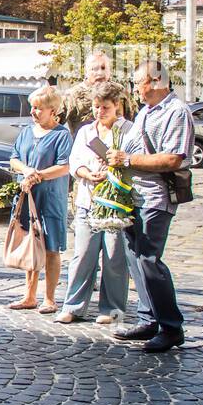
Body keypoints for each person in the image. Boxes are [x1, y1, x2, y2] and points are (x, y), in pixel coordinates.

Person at [108, 60, 195, 353]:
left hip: (156, 198)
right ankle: (149, 319)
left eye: (138, 82)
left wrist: (127, 161)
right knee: (136, 259)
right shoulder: (145, 111)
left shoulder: (176, 112)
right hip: (134, 197)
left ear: (157, 80)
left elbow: (173, 159)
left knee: (149, 260)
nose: (134, 89)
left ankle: (172, 327)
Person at [57, 81, 133, 324]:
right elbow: (74, 159)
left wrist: (114, 168)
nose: (100, 112)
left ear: (117, 106)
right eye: (97, 107)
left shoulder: (128, 130)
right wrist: (85, 173)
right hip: (88, 199)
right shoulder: (86, 131)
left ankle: (111, 308)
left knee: (114, 257)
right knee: (82, 255)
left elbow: (133, 161)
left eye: (105, 107)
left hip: (114, 204)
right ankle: (73, 306)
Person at [8, 85, 73, 313]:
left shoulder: (61, 135)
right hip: (28, 196)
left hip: (50, 197)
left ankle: (50, 297)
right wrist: (27, 171)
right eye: (33, 107)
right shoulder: (27, 131)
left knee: (51, 247)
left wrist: (38, 175)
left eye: (39, 108)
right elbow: (14, 158)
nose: (34, 112)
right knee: (30, 243)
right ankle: (29, 295)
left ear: (53, 110)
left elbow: (64, 166)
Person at [63, 51, 137, 131]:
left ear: (110, 70)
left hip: (118, 140)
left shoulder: (119, 91)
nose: (100, 72)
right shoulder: (73, 95)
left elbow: (134, 118)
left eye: (103, 68)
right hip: (85, 141)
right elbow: (54, 119)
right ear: (86, 72)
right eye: (94, 69)